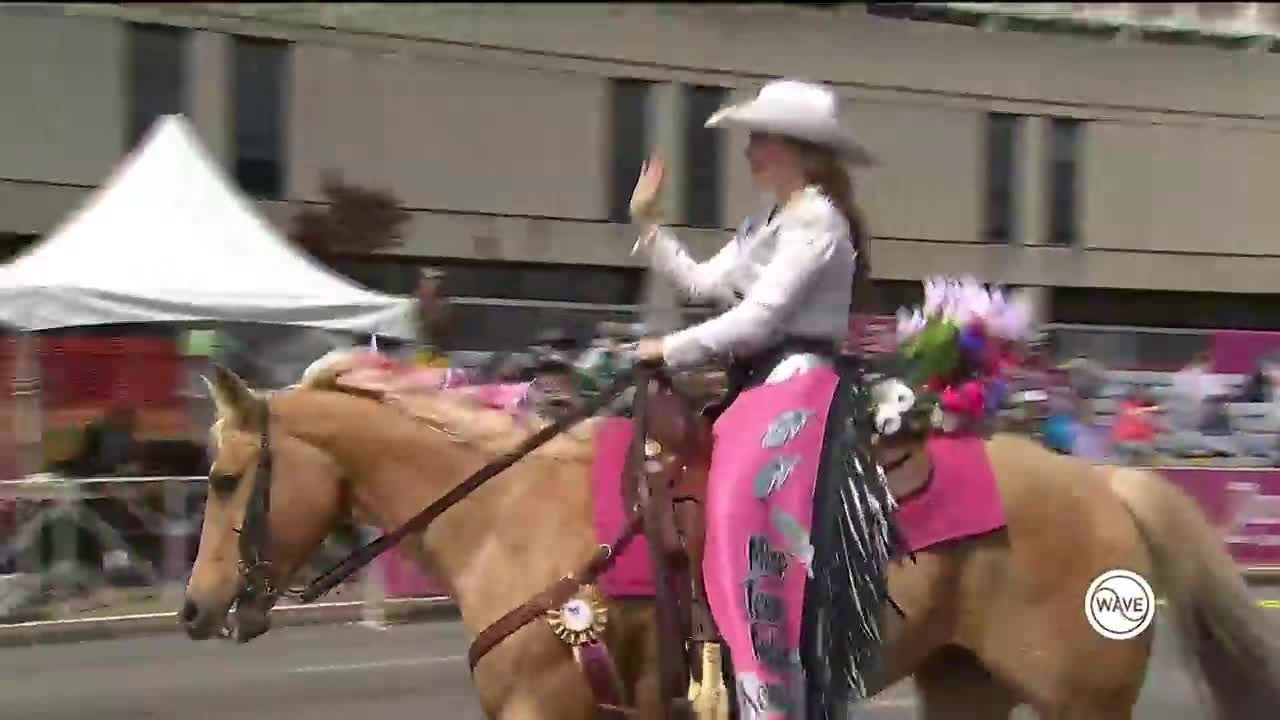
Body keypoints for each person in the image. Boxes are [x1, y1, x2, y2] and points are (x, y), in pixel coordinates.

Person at [628, 79, 895, 720]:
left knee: (740, 512)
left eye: (761, 139)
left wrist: (667, 350)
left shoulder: (818, 222)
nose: (749, 151)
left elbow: (760, 320)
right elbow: (703, 283)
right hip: (755, 386)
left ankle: (771, 696)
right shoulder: (765, 223)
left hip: (799, 384)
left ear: (799, 149)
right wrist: (647, 223)